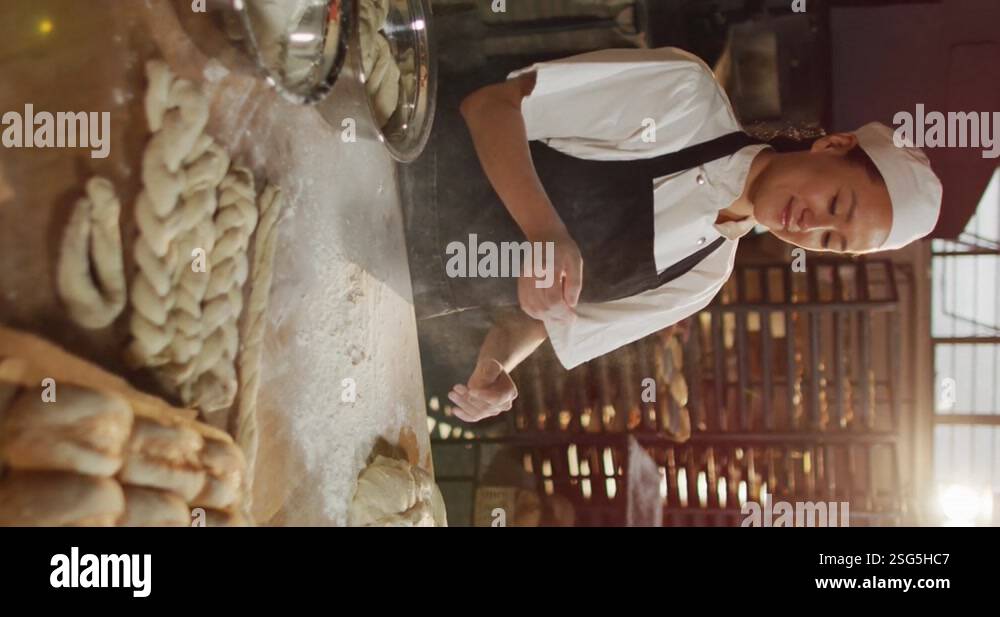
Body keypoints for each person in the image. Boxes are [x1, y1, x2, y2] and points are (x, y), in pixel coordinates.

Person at [412, 47, 943, 423]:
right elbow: (490, 106)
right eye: (835, 204)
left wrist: (496, 364)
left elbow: (539, 315)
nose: (812, 226)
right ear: (833, 146)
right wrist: (545, 231)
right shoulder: (684, 98)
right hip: (386, 166)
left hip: (407, 294)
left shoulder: (702, 279)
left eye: (830, 241)